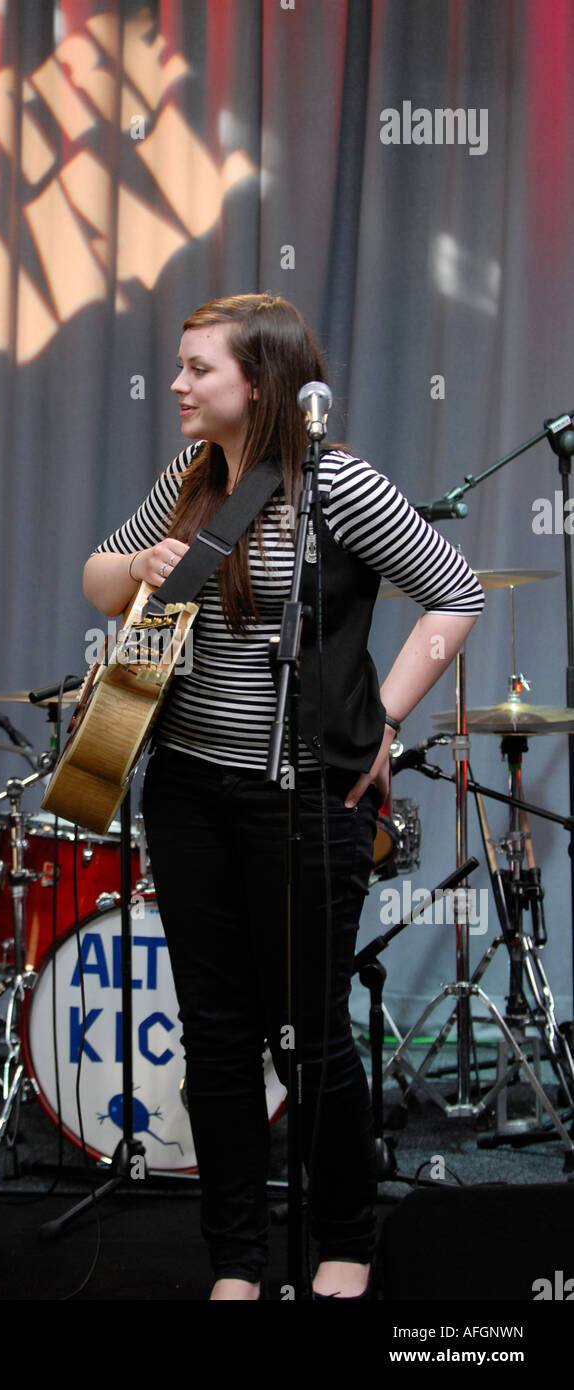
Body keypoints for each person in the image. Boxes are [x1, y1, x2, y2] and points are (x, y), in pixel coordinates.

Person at [82, 293, 483, 1300]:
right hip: (185, 792)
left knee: (309, 1034)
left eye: (198, 369)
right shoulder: (188, 478)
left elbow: (456, 592)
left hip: (300, 800)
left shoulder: (335, 485)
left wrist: (383, 719)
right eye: (177, 367)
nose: (176, 384)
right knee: (216, 1034)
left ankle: (345, 1242)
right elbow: (96, 577)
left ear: (258, 384)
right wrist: (140, 563)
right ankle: (237, 1263)